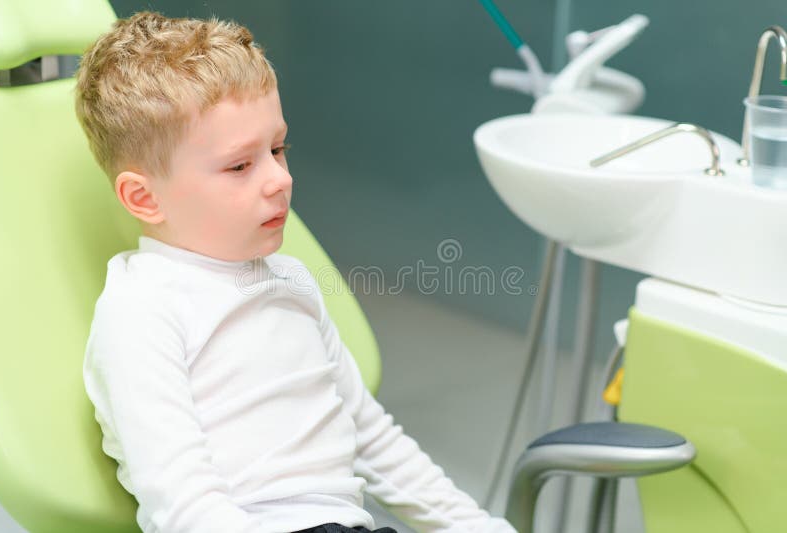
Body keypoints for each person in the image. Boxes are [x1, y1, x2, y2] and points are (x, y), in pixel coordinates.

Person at [75, 10, 517, 533]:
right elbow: (185, 506)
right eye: (241, 165)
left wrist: (476, 525)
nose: (279, 179)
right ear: (144, 197)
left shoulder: (290, 279)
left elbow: (371, 438)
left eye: (278, 149)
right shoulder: (144, 310)